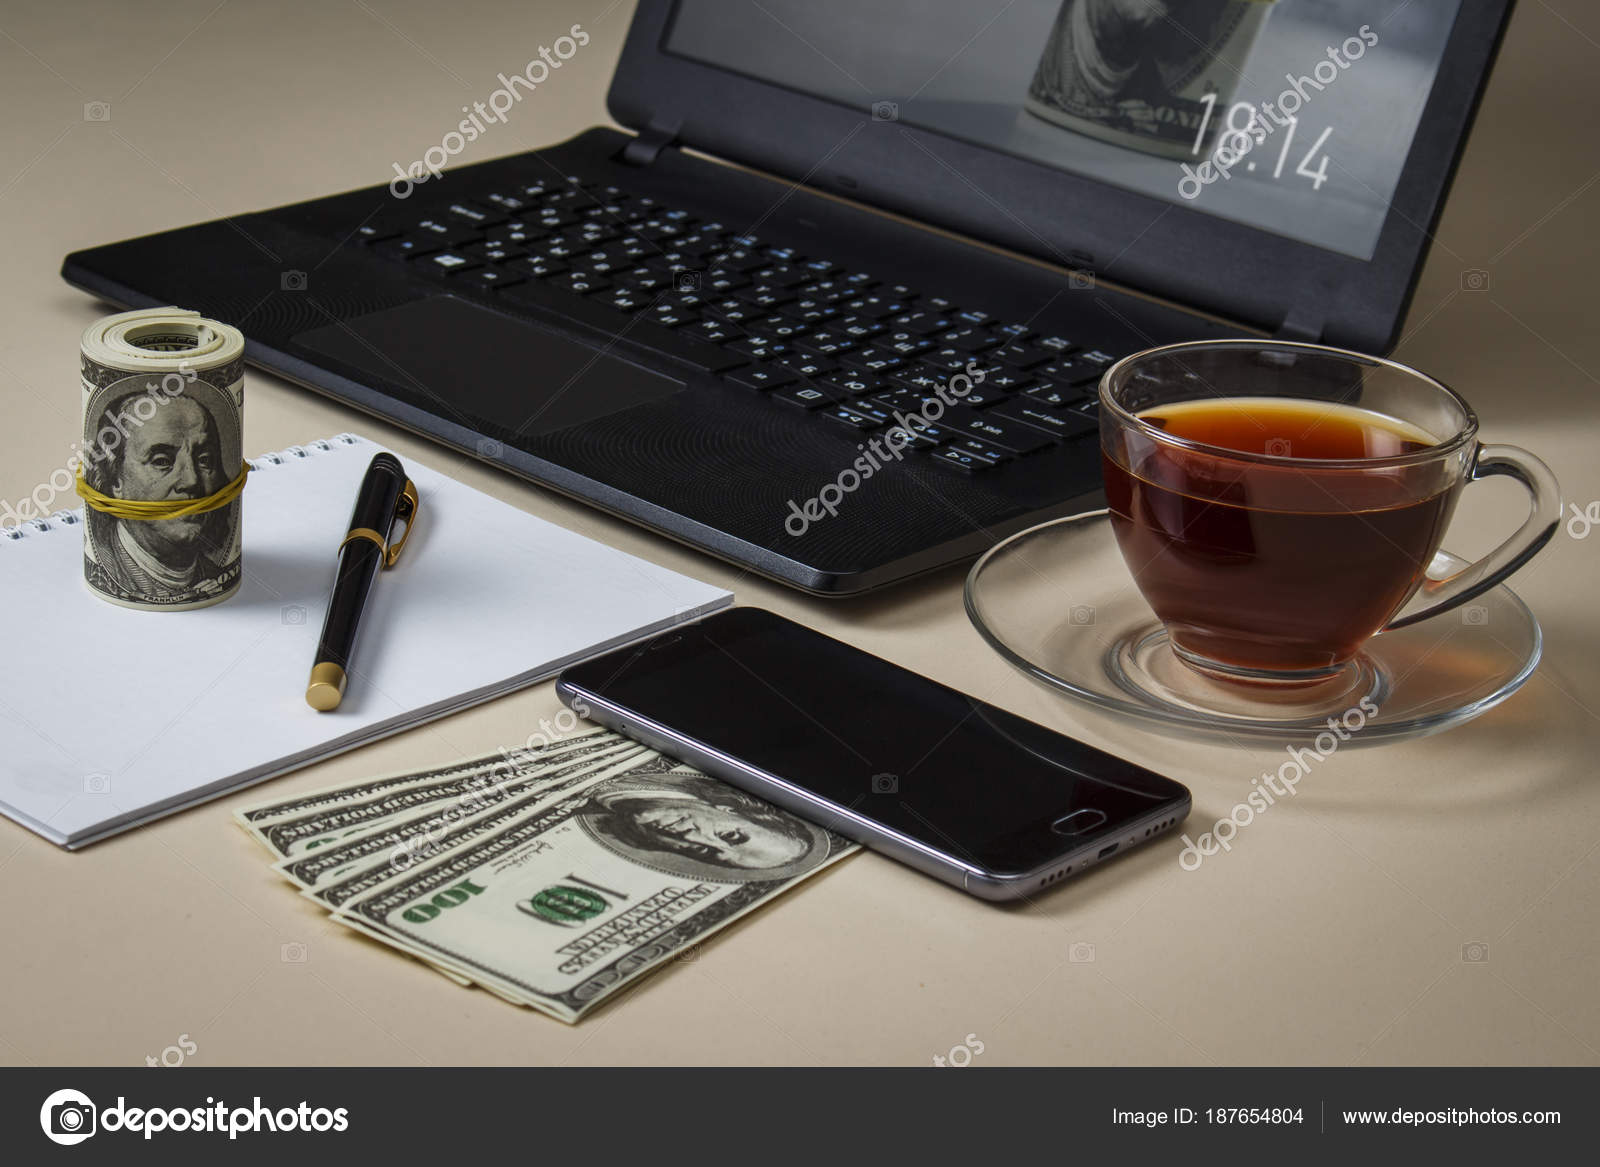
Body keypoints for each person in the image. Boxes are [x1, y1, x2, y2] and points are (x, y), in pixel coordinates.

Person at [83, 390, 231, 601]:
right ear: (115, 479)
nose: (191, 481)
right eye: (162, 461)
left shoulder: (218, 575)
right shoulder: (106, 570)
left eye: (205, 460)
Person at [584, 775, 820, 874]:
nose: (691, 839)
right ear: (731, 810)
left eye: (707, 852)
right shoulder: (657, 781)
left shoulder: (608, 812)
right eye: (730, 836)